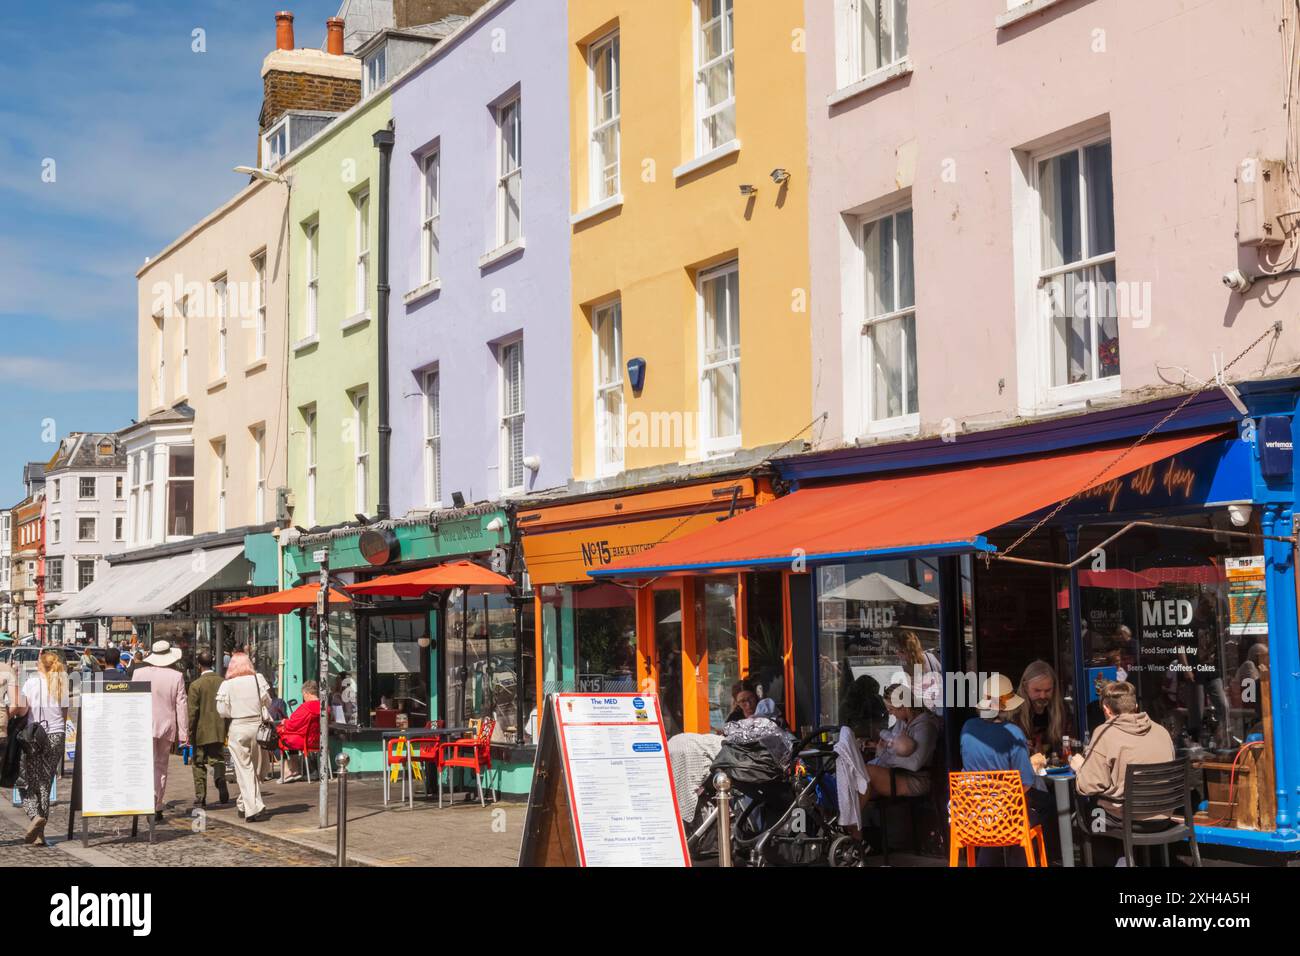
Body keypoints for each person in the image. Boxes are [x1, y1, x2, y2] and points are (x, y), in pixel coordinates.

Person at [1070, 680, 1175, 866]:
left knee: (1085, 816)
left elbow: (1089, 786)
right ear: (1135, 706)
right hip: (1164, 817)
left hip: (1127, 820)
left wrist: (1080, 767)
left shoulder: (1105, 733)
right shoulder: (1162, 731)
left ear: (1106, 709)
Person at [960, 673, 1053, 866]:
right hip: (1003, 817)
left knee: (1001, 811)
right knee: (1043, 804)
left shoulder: (967, 728)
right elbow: (1025, 783)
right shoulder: (1013, 732)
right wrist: (1032, 760)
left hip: (971, 814)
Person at [10, 650, 69, 845]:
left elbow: (22, 709)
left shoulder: (31, 683)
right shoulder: (62, 684)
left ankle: (35, 815)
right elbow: (64, 714)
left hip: (33, 736)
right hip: (57, 735)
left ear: (41, 665)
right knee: (46, 782)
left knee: (24, 780)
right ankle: (40, 834)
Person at [131, 640, 190, 821]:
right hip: (166, 725)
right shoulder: (176, 676)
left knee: (145, 763)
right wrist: (184, 735)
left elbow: (132, 700)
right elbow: (182, 707)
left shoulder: (138, 673)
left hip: (141, 724)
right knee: (161, 765)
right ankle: (157, 803)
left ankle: (147, 798)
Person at [215, 652, 271, 821]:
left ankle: (251, 808)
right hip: (257, 727)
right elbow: (267, 701)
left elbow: (222, 711)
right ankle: (246, 805)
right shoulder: (257, 678)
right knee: (253, 768)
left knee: (244, 769)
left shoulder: (227, 684)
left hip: (238, 727)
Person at [186, 651, 230, 808]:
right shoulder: (223, 682)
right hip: (219, 730)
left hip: (201, 731)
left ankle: (200, 797)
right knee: (217, 759)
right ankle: (220, 778)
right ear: (212, 662)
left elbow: (192, 713)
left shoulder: (195, 685)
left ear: (199, 665)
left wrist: (189, 733)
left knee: (198, 764)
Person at [1014, 660, 1067, 758]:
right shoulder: (1014, 713)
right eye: (1037, 690)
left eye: (1047, 690)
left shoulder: (1060, 710)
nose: (1042, 696)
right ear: (1025, 687)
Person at [276, 681, 322, 783]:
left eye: (303, 695)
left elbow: (293, 724)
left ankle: (289, 771)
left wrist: (284, 722)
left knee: (279, 737)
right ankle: (295, 769)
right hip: (319, 740)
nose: (303, 697)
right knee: (289, 737)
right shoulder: (324, 707)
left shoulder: (305, 707)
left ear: (306, 693)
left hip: (304, 740)